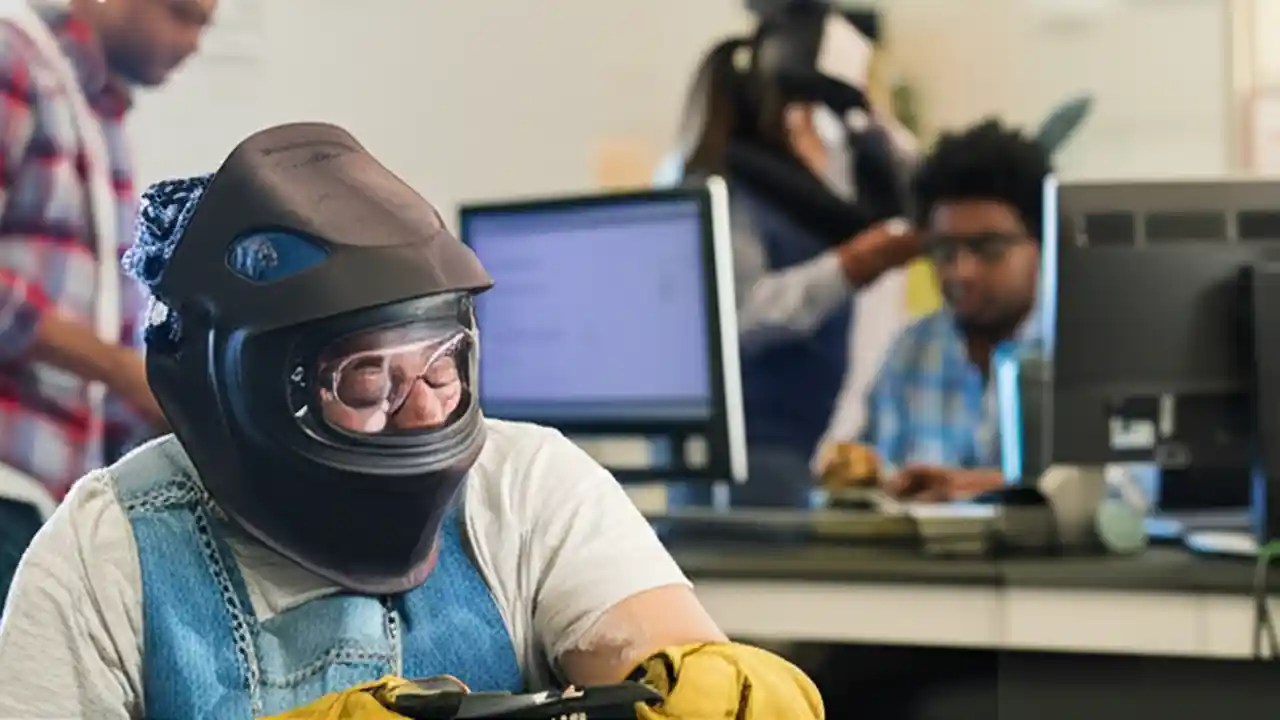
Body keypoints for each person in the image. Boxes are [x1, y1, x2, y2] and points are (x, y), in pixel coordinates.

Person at [0, 122, 824, 720]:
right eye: (368, 380)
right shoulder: (101, 555)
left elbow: (652, 652)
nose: (427, 408)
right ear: (238, 385)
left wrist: (713, 688)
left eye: (443, 366)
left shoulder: (528, 486)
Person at [0, 0, 214, 612]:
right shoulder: (13, 61)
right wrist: (120, 370)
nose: (194, 42)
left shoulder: (101, 121)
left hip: (43, 496)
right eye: (183, 14)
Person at [666, 5, 920, 509]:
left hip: (794, 442)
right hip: (752, 454)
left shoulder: (790, 202)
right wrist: (848, 267)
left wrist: (868, 111)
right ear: (787, 118)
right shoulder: (729, 193)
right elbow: (741, 314)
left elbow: (899, 186)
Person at [862, 119, 1049, 502]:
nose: (961, 271)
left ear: (1042, 244)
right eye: (945, 250)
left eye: (988, 248)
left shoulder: (1085, 348)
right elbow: (875, 486)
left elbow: (1130, 492)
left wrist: (978, 488)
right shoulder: (911, 352)